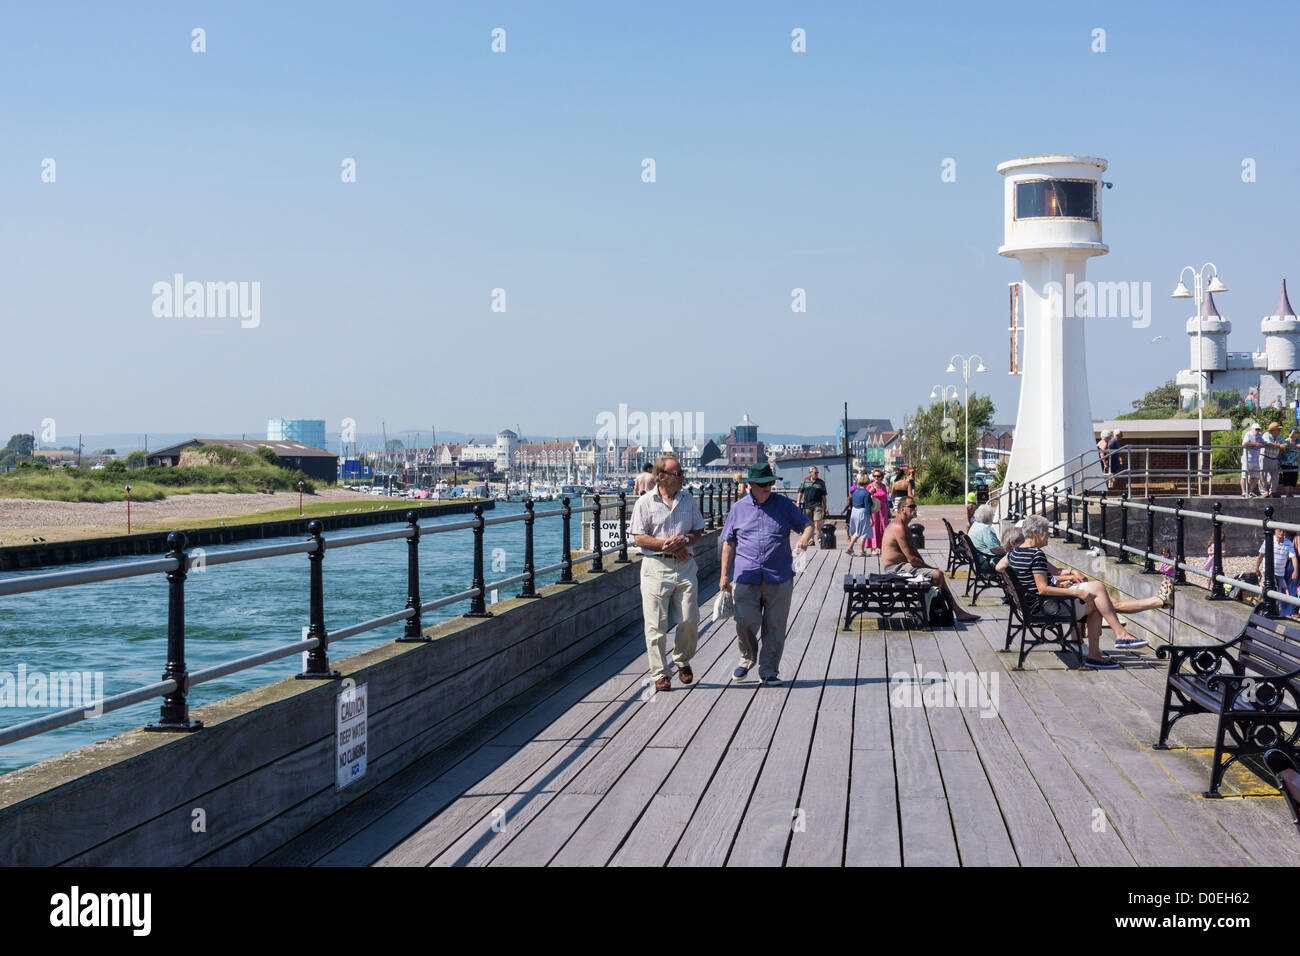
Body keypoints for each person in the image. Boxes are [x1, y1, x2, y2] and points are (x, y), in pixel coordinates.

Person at [996, 514, 1165, 668]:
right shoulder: (1036, 555)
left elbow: (999, 567)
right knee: (1097, 594)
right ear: (1035, 532)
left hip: (1030, 606)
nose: (1049, 535)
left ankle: (1103, 647)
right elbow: (1042, 589)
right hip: (1047, 608)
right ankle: (1113, 640)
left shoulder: (1014, 553)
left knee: (1097, 596)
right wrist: (1075, 592)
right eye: (1046, 531)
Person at [719, 463, 813, 684]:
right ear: (750, 485)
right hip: (746, 576)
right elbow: (729, 543)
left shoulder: (783, 505)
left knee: (775, 625)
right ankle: (747, 659)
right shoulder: (738, 509)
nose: (768, 486)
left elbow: (807, 525)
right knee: (744, 621)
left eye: (770, 482)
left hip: (778, 576)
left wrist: (804, 538)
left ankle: (769, 670)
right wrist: (724, 575)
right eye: (762, 484)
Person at [629, 455, 706, 692]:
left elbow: (699, 530)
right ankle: (660, 673)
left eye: (682, 473)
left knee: (689, 619)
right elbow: (638, 537)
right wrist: (665, 544)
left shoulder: (688, 500)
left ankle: (681, 659)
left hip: (684, 565)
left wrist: (683, 540)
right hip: (656, 566)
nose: (683, 477)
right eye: (679, 473)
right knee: (655, 625)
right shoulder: (644, 503)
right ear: (661, 477)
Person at [881, 497, 981, 623]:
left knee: (936, 575)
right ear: (902, 509)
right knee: (937, 574)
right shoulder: (898, 527)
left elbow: (916, 554)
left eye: (915, 506)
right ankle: (953, 611)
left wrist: (927, 568)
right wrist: (931, 569)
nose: (915, 508)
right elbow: (911, 559)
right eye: (912, 506)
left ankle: (928, 610)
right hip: (895, 569)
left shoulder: (905, 526)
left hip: (903, 565)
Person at [1255, 525, 1298, 598]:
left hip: (1281, 573)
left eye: (1283, 531)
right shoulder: (1269, 540)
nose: (1281, 533)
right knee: (1272, 591)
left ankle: (1273, 607)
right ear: (1275, 531)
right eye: (1279, 530)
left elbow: (1293, 558)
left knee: (1277, 594)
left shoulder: (1288, 543)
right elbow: (1260, 556)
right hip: (1269, 571)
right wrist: (1257, 568)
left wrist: (1295, 571)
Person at [797, 466, 829, 547]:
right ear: (810, 473)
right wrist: (798, 502)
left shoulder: (821, 482)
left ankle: (819, 536)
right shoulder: (805, 481)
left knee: (818, 521)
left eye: (817, 472)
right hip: (807, 505)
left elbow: (824, 496)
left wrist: (825, 507)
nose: (817, 474)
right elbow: (800, 492)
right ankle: (811, 539)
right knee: (809, 523)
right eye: (815, 472)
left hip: (817, 504)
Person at [846, 471, 872, 556]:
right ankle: (861, 551)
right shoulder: (866, 493)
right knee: (864, 532)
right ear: (867, 483)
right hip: (862, 512)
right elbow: (868, 506)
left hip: (854, 511)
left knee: (857, 531)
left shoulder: (856, 491)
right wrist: (871, 518)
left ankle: (850, 548)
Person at [865, 468, 890, 556]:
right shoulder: (870, 486)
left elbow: (886, 499)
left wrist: (889, 510)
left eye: (878, 476)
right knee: (874, 528)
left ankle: (884, 547)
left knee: (884, 528)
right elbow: (865, 499)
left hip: (883, 509)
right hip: (874, 509)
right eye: (874, 476)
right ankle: (873, 548)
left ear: (881, 477)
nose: (876, 478)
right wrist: (869, 492)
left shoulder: (883, 486)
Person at [1241, 422, 1264, 497]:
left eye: (1259, 429)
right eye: (1256, 429)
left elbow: (1263, 443)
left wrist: (1259, 444)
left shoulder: (1260, 435)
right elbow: (1244, 444)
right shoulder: (1248, 434)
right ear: (1252, 429)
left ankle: (1250, 492)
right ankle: (1244, 492)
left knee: (1256, 477)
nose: (1257, 431)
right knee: (1244, 476)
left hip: (1256, 459)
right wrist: (1255, 444)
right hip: (1247, 459)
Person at [1262, 423, 1284, 496]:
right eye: (1278, 429)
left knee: (1276, 475)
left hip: (1274, 458)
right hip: (1265, 457)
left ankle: (1273, 492)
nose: (1279, 431)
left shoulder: (1280, 437)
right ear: (1273, 430)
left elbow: (1284, 445)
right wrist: (1279, 446)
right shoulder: (1266, 435)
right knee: (1263, 475)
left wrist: (1279, 455)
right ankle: (1264, 492)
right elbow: (1269, 444)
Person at [1281, 428, 1300, 494]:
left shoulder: (1298, 441)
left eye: (1297, 432)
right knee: (1287, 479)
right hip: (1286, 463)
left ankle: (1291, 494)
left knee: (1293, 479)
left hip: (1295, 464)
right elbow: (1282, 449)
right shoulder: (1286, 441)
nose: (1296, 434)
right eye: (1294, 432)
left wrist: (1296, 445)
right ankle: (1287, 494)